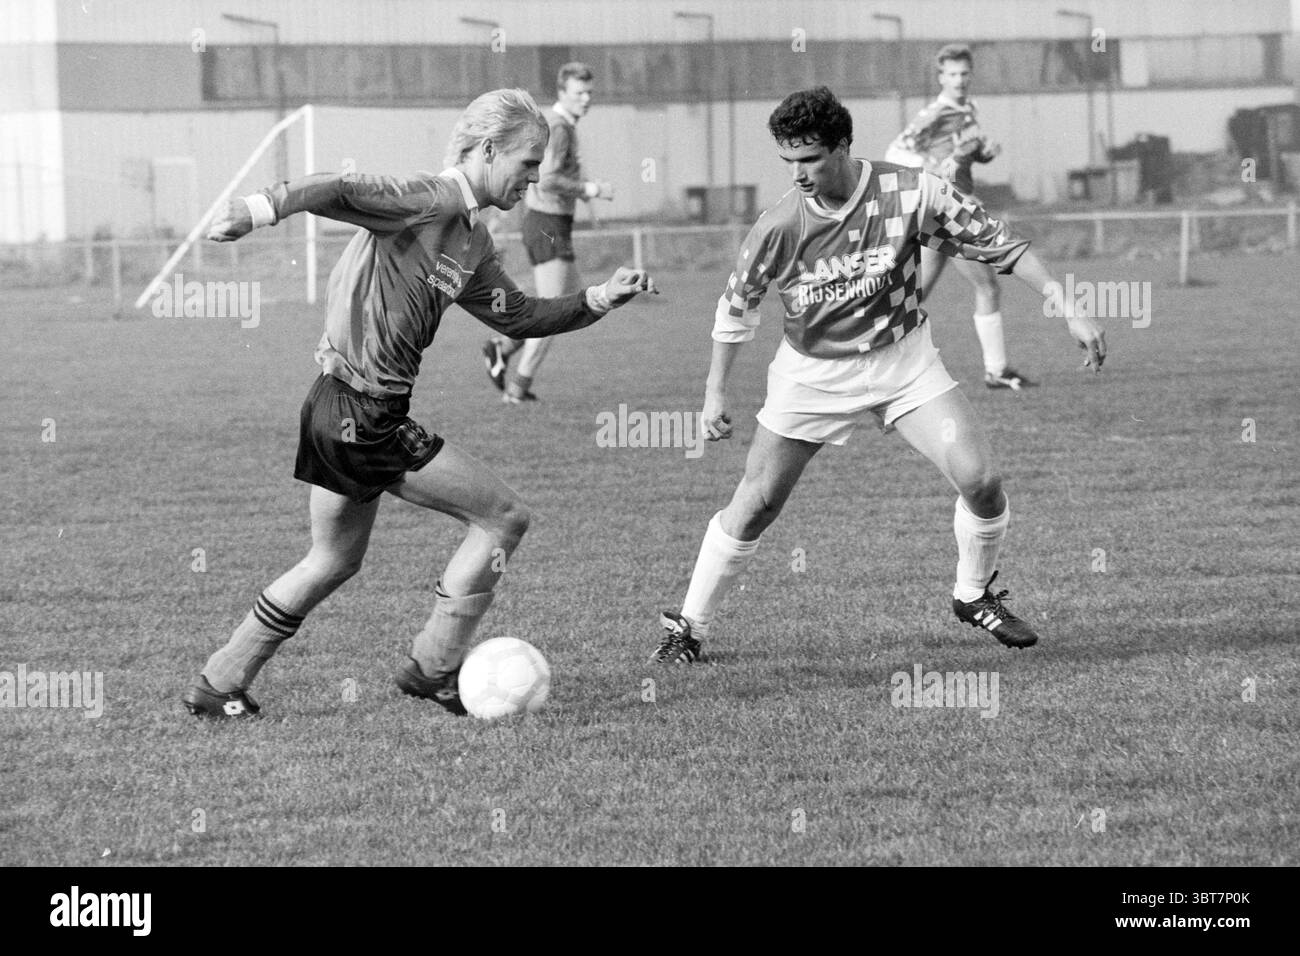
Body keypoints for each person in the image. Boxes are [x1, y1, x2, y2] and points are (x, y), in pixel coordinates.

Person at [180, 88, 656, 719]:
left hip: (336, 408)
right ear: (488, 150)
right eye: (527, 161)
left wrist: (595, 299)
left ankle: (220, 682)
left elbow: (514, 316)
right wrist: (254, 208)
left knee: (333, 560)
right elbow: (337, 189)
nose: (535, 176)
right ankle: (435, 667)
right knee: (503, 517)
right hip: (361, 412)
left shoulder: (471, 240)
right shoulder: (427, 201)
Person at [649, 86, 1104, 665]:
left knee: (982, 479)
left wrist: (1069, 307)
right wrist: (715, 393)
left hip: (903, 361)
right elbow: (735, 310)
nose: (799, 173)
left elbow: (1001, 246)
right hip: (811, 373)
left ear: (842, 146)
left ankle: (973, 594)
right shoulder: (778, 226)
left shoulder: (911, 192)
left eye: (810, 158)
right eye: (788, 161)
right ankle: (688, 627)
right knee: (757, 501)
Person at [885, 43, 1033, 391]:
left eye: (964, 73)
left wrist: (984, 153)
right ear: (941, 77)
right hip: (951, 211)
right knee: (987, 285)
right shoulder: (935, 113)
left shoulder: (967, 108)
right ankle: (996, 371)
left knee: (914, 295)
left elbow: (963, 155)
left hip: (950, 208)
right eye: (952, 74)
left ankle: (873, 356)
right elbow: (895, 152)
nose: (960, 80)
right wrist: (931, 169)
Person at [482, 62, 613, 404]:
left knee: (570, 298)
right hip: (547, 225)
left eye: (589, 93)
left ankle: (502, 348)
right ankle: (516, 391)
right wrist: (592, 189)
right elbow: (550, 178)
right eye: (579, 93)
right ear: (562, 93)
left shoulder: (561, 124)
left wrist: (585, 193)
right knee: (552, 316)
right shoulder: (559, 127)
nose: (586, 99)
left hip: (551, 224)